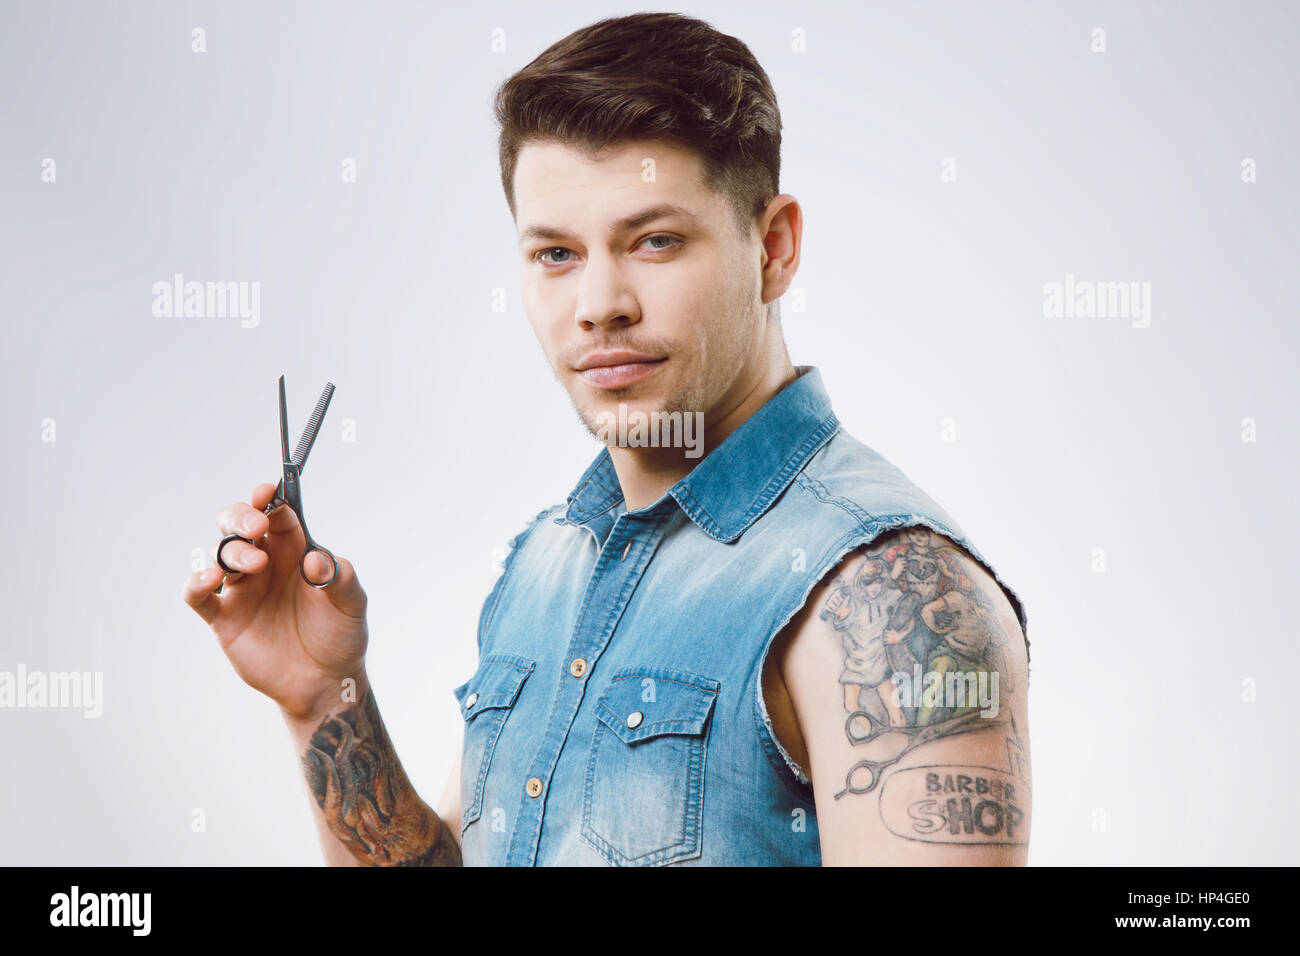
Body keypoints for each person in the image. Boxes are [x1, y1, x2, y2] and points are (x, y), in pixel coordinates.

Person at [183, 11, 1032, 866]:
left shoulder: (888, 599)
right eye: (555, 254)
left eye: (655, 240)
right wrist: (321, 699)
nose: (599, 304)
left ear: (773, 248)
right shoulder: (546, 562)